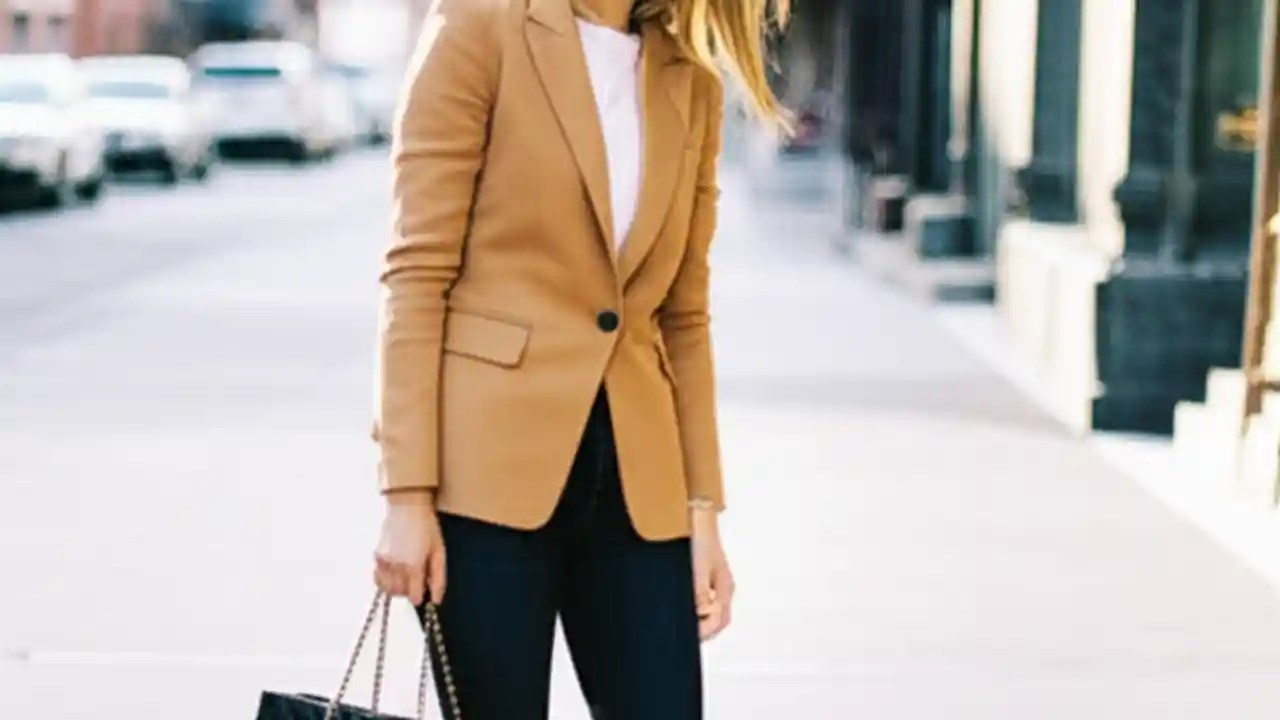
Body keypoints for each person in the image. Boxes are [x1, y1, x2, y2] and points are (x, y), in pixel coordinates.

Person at [370, 0, 786, 716]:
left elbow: (683, 317)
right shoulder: (479, 28)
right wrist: (406, 496)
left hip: (638, 488)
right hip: (487, 483)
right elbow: (417, 274)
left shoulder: (690, 81)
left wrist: (703, 511)